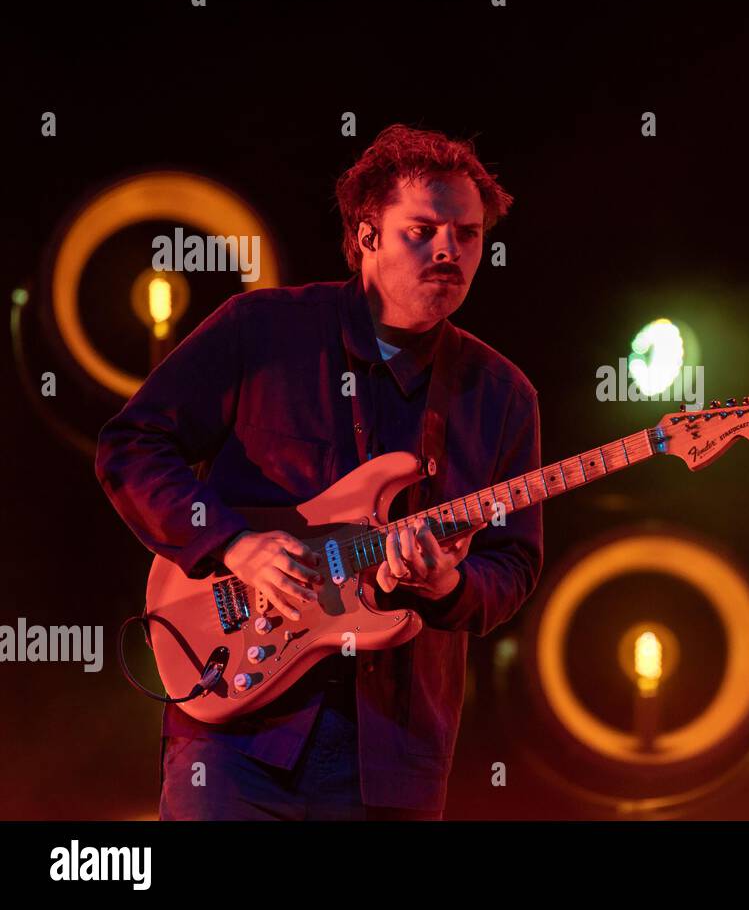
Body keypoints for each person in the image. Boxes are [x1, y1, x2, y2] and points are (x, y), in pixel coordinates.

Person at [95, 124, 543, 820]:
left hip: (393, 756)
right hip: (234, 737)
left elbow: (511, 566)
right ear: (366, 236)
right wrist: (235, 545)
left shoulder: (504, 395)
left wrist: (447, 581)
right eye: (422, 230)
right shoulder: (262, 330)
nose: (450, 250)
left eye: (469, 234)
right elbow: (131, 446)